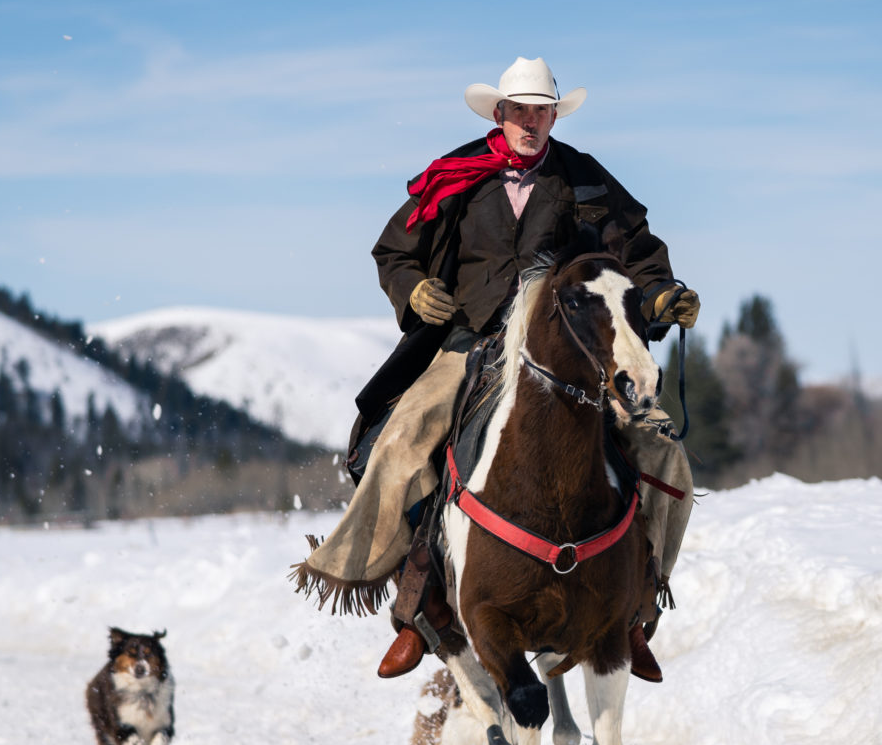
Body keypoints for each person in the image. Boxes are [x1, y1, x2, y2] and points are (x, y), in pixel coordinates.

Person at [290, 57, 700, 681]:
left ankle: (635, 613)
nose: (531, 121)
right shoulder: (455, 175)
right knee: (401, 443)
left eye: (543, 111)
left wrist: (662, 294)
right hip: (469, 343)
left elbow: (637, 256)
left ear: (554, 116)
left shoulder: (587, 181)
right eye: (521, 110)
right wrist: (415, 289)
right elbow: (394, 251)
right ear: (499, 114)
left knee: (666, 456)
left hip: (566, 350)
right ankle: (414, 611)